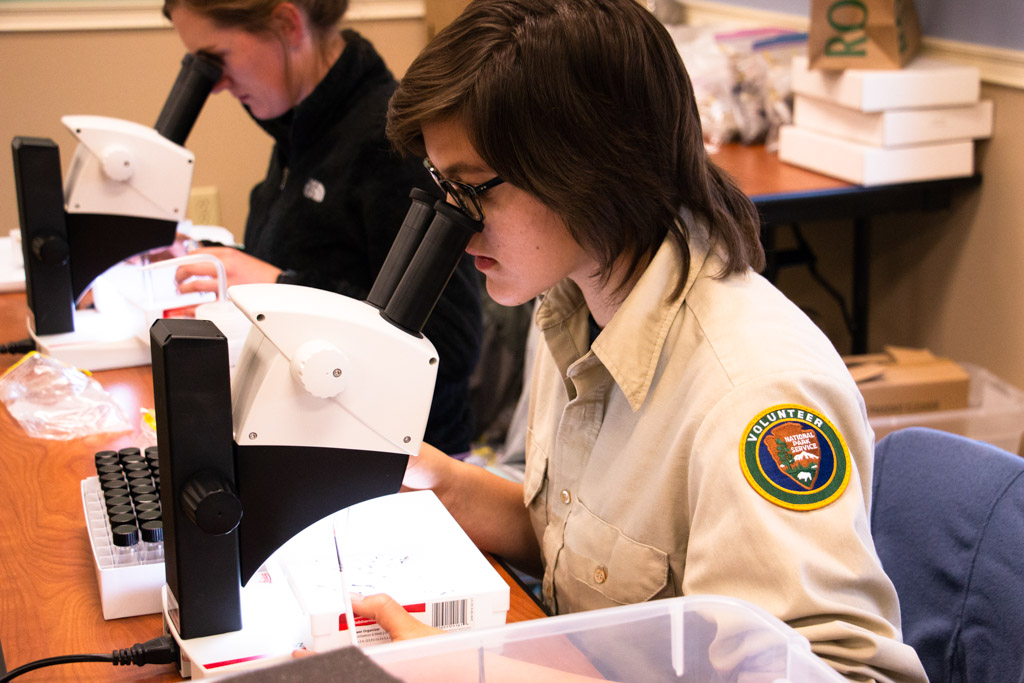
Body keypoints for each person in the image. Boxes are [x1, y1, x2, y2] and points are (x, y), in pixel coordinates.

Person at [340, 1, 929, 681]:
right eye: (443, 188)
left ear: (588, 167)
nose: (459, 229)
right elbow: (594, 550)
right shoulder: (575, 302)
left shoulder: (752, 397)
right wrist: (446, 486)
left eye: (474, 191)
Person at [163, 0, 482, 455]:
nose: (215, 86)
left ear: (287, 23)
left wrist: (277, 285)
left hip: (404, 460)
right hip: (314, 431)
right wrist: (220, 258)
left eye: (217, 59)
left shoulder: (387, 141)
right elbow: (315, 261)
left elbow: (451, 343)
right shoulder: (302, 127)